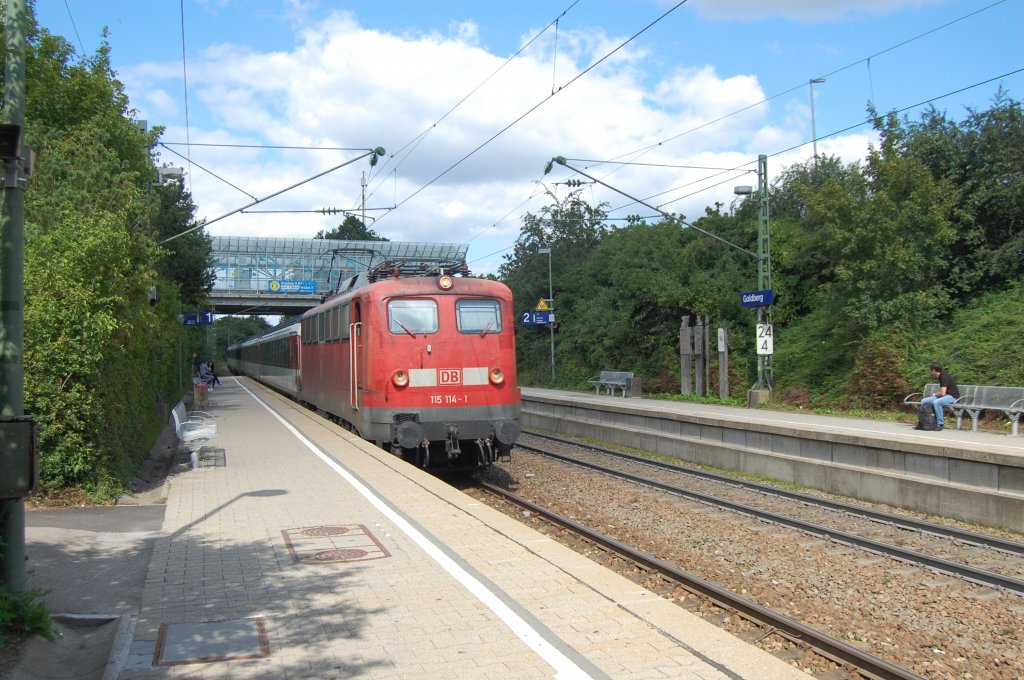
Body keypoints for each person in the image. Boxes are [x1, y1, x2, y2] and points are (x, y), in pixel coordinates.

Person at [920, 362, 959, 431]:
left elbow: (943, 393)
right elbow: (942, 392)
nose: (929, 372)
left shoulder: (944, 376)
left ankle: (940, 424)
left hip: (952, 397)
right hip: (945, 396)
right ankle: (926, 421)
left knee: (936, 402)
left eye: (930, 370)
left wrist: (935, 395)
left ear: (934, 371)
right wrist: (935, 395)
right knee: (924, 401)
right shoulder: (941, 376)